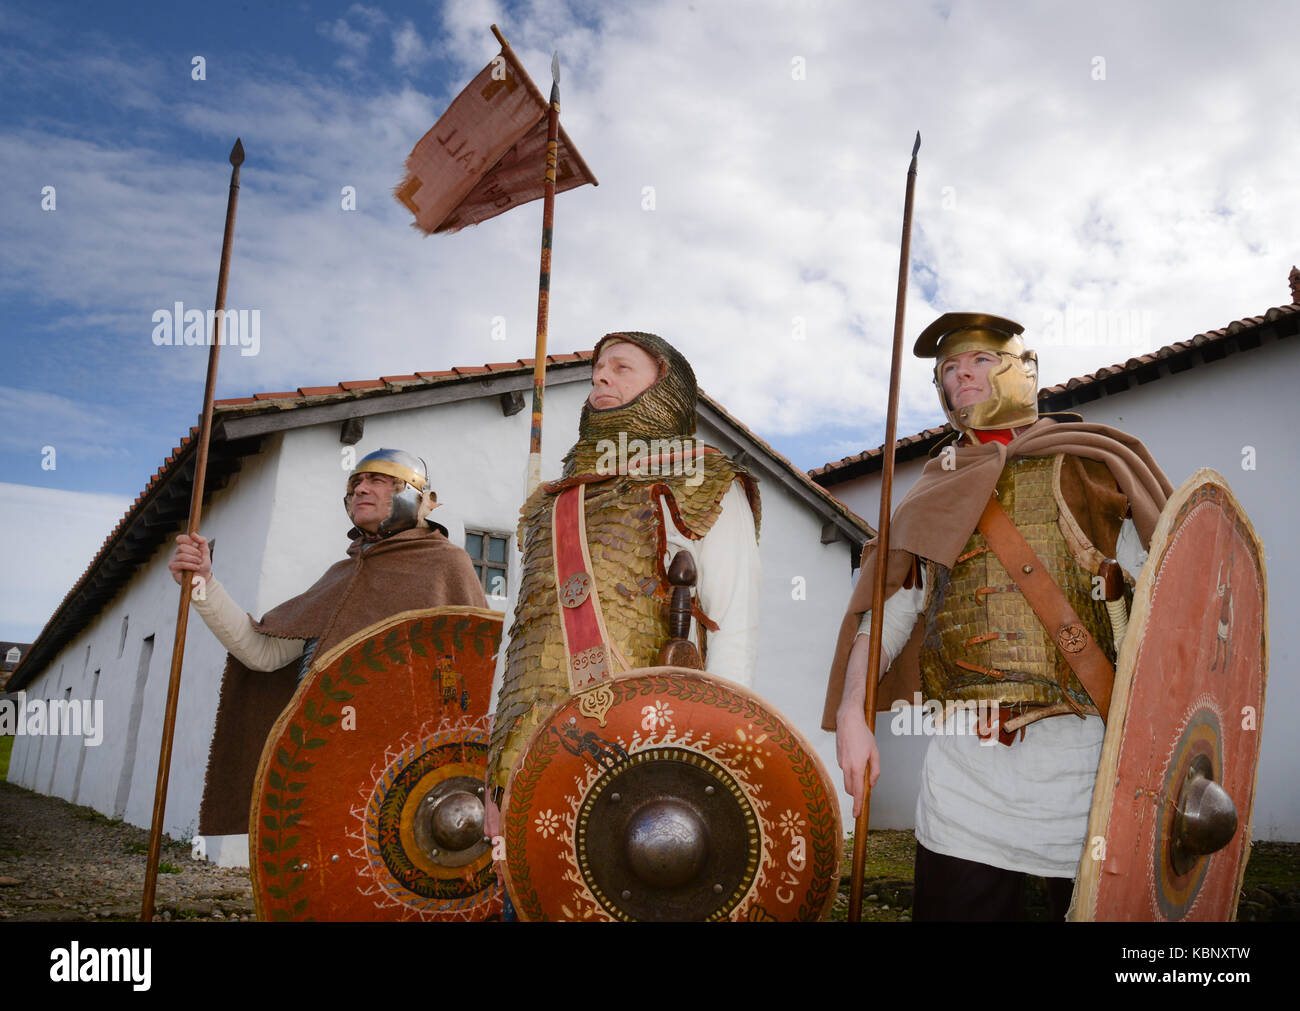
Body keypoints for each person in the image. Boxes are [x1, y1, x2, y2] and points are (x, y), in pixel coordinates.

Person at [823, 312, 1173, 921]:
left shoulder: (1092, 462)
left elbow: (1169, 588)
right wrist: (853, 712)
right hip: (965, 765)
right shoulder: (930, 489)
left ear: (1023, 369)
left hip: (1084, 754)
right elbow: (889, 612)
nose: (961, 376)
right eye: (948, 371)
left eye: (980, 361)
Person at [485, 332, 762, 833]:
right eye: (597, 369)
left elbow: (733, 626)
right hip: (528, 756)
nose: (600, 376)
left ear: (666, 387)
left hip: (649, 749)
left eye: (621, 367)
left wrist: (717, 759)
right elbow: (516, 641)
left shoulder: (705, 478)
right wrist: (494, 774)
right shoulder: (550, 503)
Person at [174, 448, 488, 837]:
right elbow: (264, 653)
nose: (361, 489)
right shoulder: (340, 575)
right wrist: (202, 583)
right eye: (355, 482)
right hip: (320, 756)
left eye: (378, 480)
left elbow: (473, 674)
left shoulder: (447, 565)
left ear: (414, 496)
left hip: (406, 768)